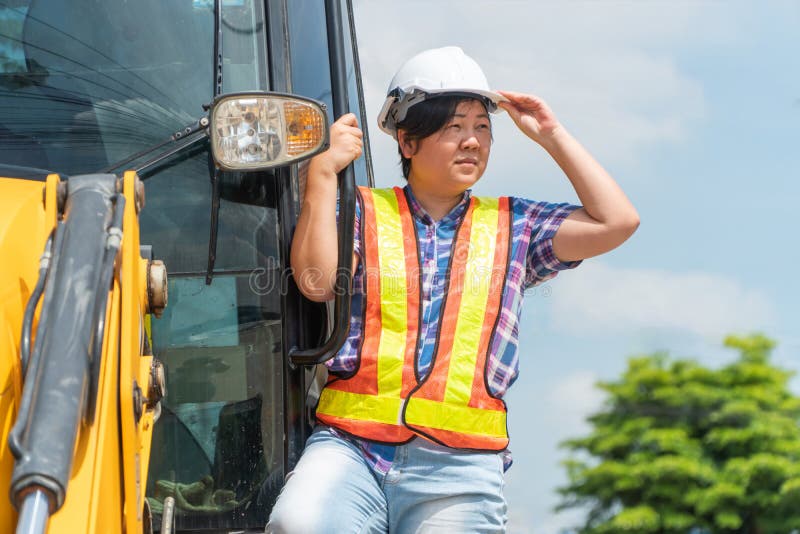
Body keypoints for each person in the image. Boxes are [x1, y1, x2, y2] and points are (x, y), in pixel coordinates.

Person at [267, 46, 639, 533]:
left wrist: (552, 136)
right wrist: (319, 174)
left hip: (460, 468)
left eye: (482, 128)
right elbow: (317, 283)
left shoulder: (514, 224)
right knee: (297, 524)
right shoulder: (363, 211)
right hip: (351, 447)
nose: (472, 142)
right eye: (454, 127)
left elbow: (618, 221)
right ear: (407, 141)